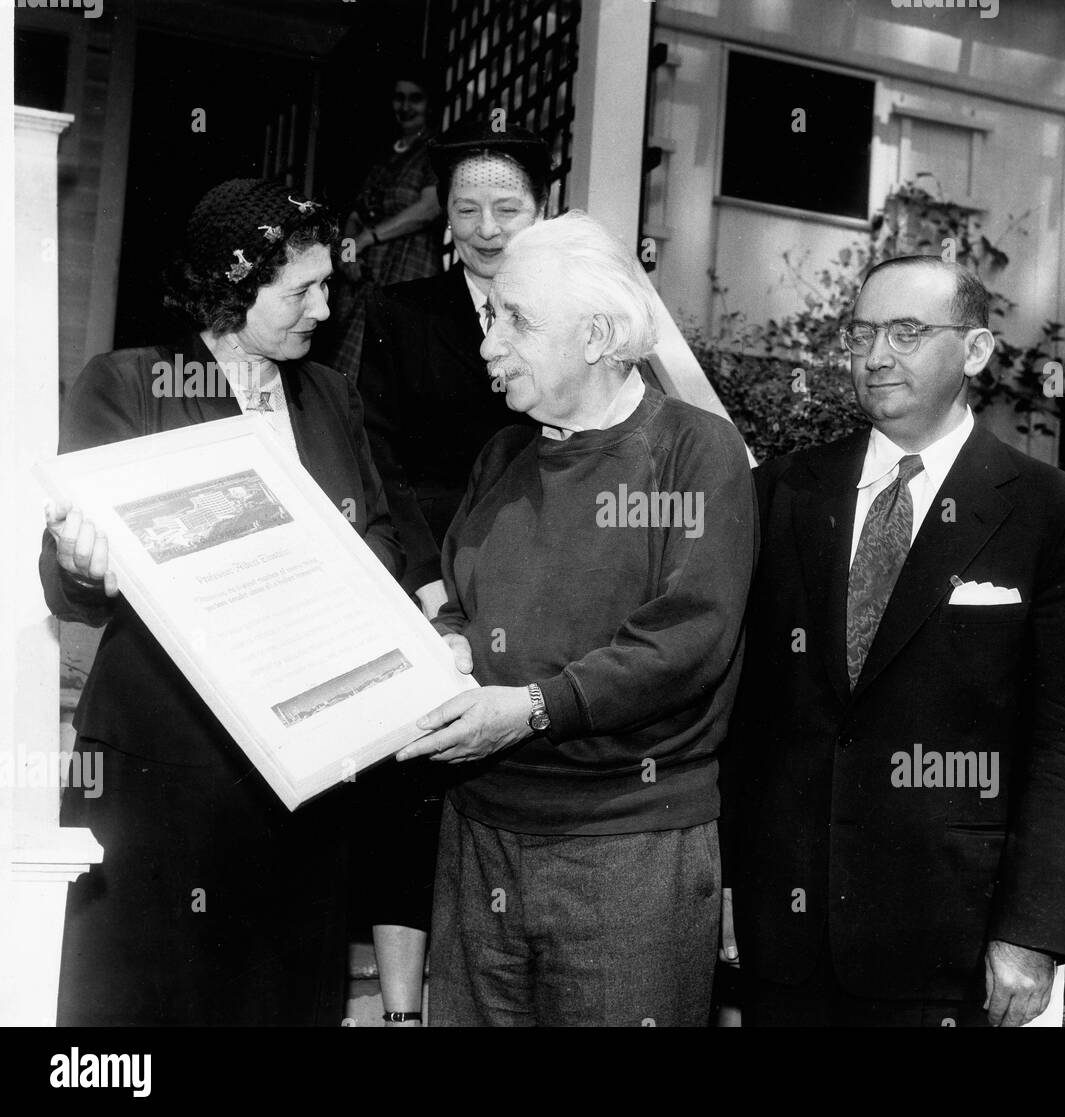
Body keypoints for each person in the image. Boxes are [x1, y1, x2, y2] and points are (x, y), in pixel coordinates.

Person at [42, 179, 402, 1026]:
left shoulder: (333, 400)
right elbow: (67, 579)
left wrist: (331, 578)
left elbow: (382, 536)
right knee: (139, 1006)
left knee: (274, 999)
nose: (326, 306)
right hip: (160, 771)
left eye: (328, 283)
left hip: (303, 777)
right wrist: (81, 561)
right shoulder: (129, 384)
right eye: (301, 290)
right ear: (233, 289)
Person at [722, 255, 1065, 1027]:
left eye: (906, 332)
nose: (876, 355)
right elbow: (749, 713)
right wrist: (728, 884)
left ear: (974, 351)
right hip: (786, 934)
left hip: (947, 941)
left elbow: (1062, 744)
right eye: (862, 332)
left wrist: (1030, 931)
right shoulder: (783, 493)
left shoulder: (1052, 514)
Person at [396, 211, 758, 1027]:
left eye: (517, 321)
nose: (489, 344)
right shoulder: (502, 456)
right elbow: (459, 595)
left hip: (626, 847)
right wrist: (448, 644)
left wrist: (530, 707)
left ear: (598, 335)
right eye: (492, 316)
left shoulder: (693, 452)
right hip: (478, 833)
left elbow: (689, 637)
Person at [351, 121, 550, 1025]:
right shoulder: (402, 317)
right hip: (429, 585)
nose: (486, 224)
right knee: (413, 789)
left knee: (503, 791)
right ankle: (399, 1011)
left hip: (534, 582)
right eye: (467, 206)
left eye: (506, 205)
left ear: (539, 210)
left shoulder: (569, 320)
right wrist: (429, 584)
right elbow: (377, 458)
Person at [319, 63, 443, 380]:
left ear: (429, 104)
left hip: (406, 269)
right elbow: (357, 214)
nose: (405, 107)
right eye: (399, 98)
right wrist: (348, 254)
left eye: (415, 98)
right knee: (346, 366)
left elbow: (428, 208)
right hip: (363, 278)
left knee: (387, 365)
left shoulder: (434, 151)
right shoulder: (384, 156)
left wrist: (365, 239)